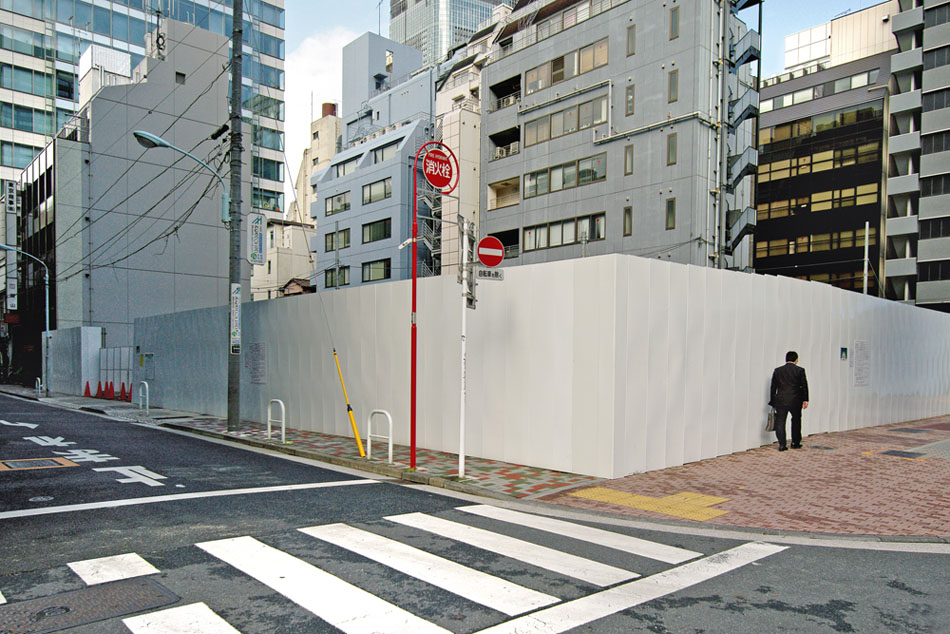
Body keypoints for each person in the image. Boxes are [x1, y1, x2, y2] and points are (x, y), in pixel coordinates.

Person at [769, 351, 809, 451]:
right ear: (796, 360)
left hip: (781, 400)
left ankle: (782, 444)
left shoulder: (778, 371)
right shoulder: (800, 370)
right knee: (796, 421)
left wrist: (773, 400)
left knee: (780, 422)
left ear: (786, 359)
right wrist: (805, 399)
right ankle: (795, 442)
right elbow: (804, 385)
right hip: (796, 400)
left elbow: (773, 387)